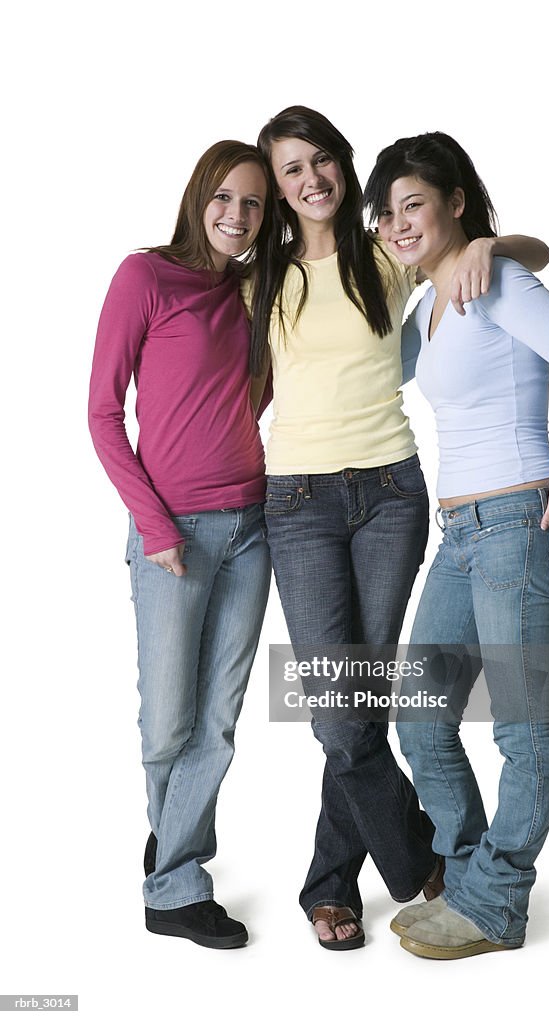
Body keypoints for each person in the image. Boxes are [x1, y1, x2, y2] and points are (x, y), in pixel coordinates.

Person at [248, 105, 549, 949]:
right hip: (297, 504)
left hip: (390, 494)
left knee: (366, 701)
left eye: (320, 161)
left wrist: (497, 246)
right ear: (275, 188)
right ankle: (416, 859)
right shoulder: (261, 276)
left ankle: (330, 886)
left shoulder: (384, 251)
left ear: (341, 166)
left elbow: (521, 259)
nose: (310, 180)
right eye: (289, 170)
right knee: (338, 714)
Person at [364, 131, 549, 959]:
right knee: (420, 716)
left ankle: (495, 904)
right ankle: (470, 875)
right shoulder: (430, 303)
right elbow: (372, 367)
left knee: (521, 732)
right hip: (460, 532)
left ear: (454, 204)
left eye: (415, 204)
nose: (401, 222)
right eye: (388, 210)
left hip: (517, 523)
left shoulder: (495, 278)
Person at [88, 141, 273, 949]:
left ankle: (173, 881)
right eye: (224, 197)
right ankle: (173, 838)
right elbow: (101, 413)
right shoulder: (146, 278)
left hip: (252, 527)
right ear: (199, 196)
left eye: (254, 204)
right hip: (174, 536)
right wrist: (155, 526)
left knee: (219, 720)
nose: (237, 215)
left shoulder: (261, 290)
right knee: (167, 721)